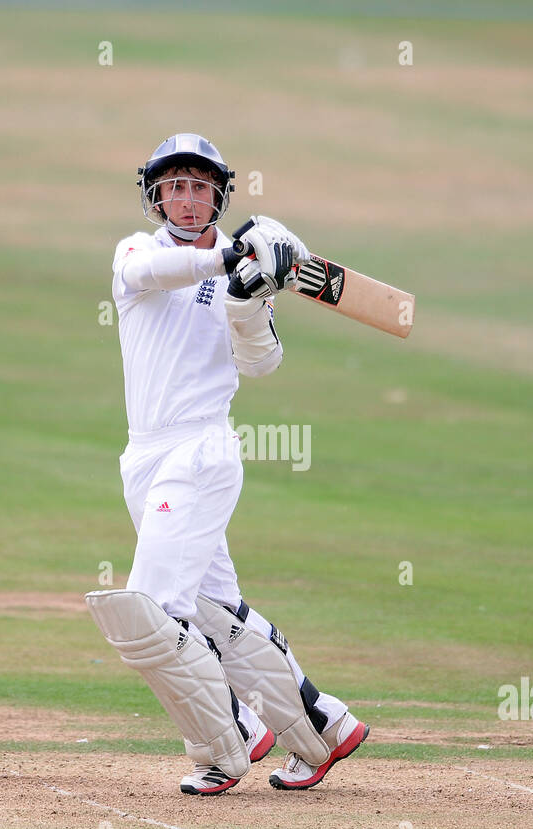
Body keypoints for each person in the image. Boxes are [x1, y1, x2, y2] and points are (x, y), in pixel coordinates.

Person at [84, 133, 369, 795]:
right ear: (156, 194)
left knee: (149, 609)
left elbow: (262, 362)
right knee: (216, 612)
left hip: (202, 451)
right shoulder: (138, 252)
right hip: (146, 456)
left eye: (200, 188)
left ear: (219, 195)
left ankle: (228, 739)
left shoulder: (238, 276)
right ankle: (321, 728)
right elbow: (152, 277)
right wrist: (232, 256)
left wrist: (249, 298)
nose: (187, 199)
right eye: (175, 186)